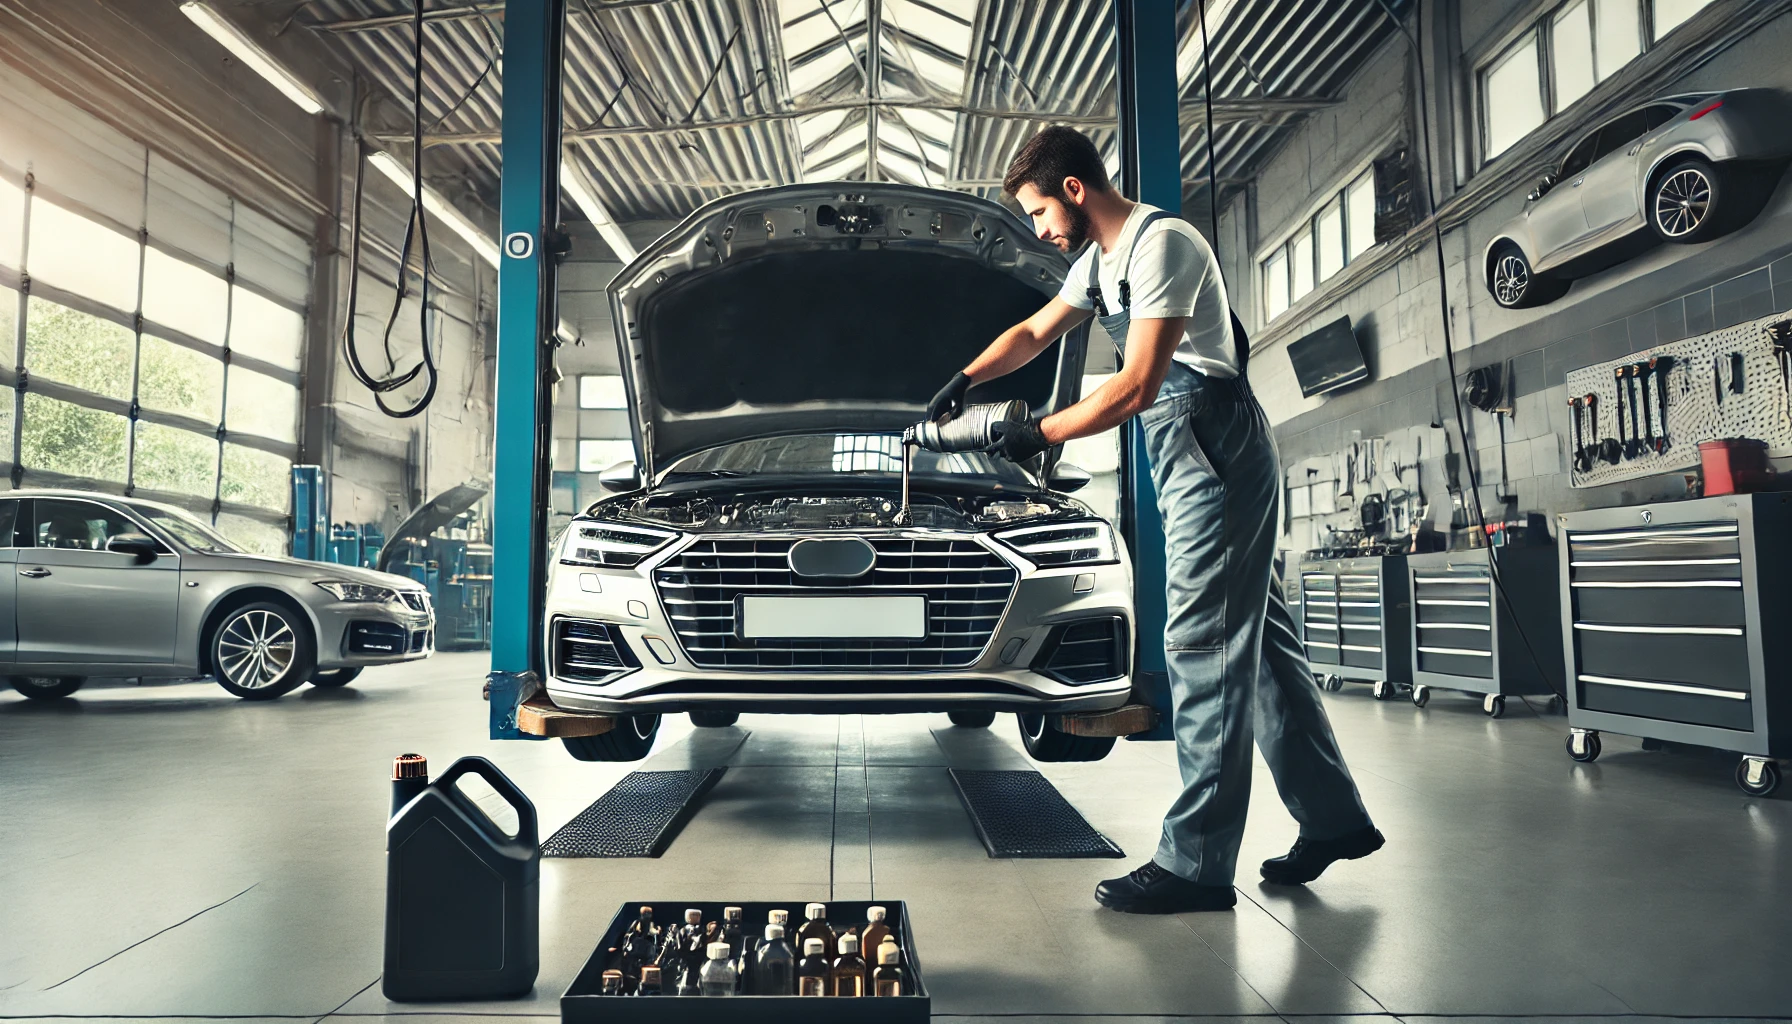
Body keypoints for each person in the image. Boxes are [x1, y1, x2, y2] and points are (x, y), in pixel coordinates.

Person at [923, 126, 1383, 913]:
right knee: (1263, 649)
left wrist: (1036, 431)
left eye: (1038, 213)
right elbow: (1035, 332)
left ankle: (1198, 865)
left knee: (1200, 641)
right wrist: (963, 380)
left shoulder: (1160, 245)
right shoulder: (1100, 262)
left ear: (1074, 189)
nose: (1038, 231)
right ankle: (1334, 819)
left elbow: (1137, 385)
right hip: (1186, 448)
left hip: (1211, 440)